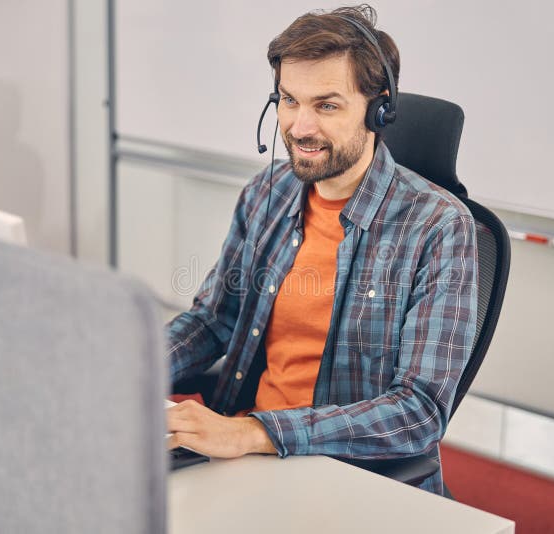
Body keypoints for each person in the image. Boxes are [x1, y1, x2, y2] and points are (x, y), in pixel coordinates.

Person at [165, 4, 477, 495]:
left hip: (344, 476)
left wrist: (257, 432)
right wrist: (132, 368)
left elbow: (420, 410)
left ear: (380, 110)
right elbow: (213, 319)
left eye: (326, 106)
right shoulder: (267, 193)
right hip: (242, 456)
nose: (300, 127)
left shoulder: (437, 226)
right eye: (289, 101)